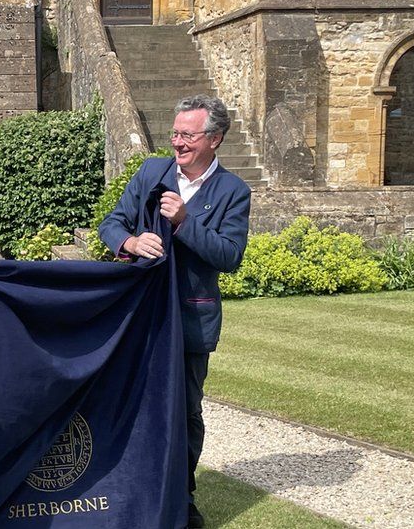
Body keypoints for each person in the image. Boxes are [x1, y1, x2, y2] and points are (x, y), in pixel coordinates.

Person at [98, 94, 251, 528]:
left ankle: (181, 499)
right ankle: (130, 489)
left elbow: (229, 256)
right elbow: (112, 223)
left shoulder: (233, 191)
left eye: (188, 135)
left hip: (188, 320)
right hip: (139, 316)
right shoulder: (152, 171)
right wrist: (128, 242)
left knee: (185, 413)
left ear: (214, 139)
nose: (178, 143)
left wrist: (185, 222)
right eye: (176, 133)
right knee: (132, 405)